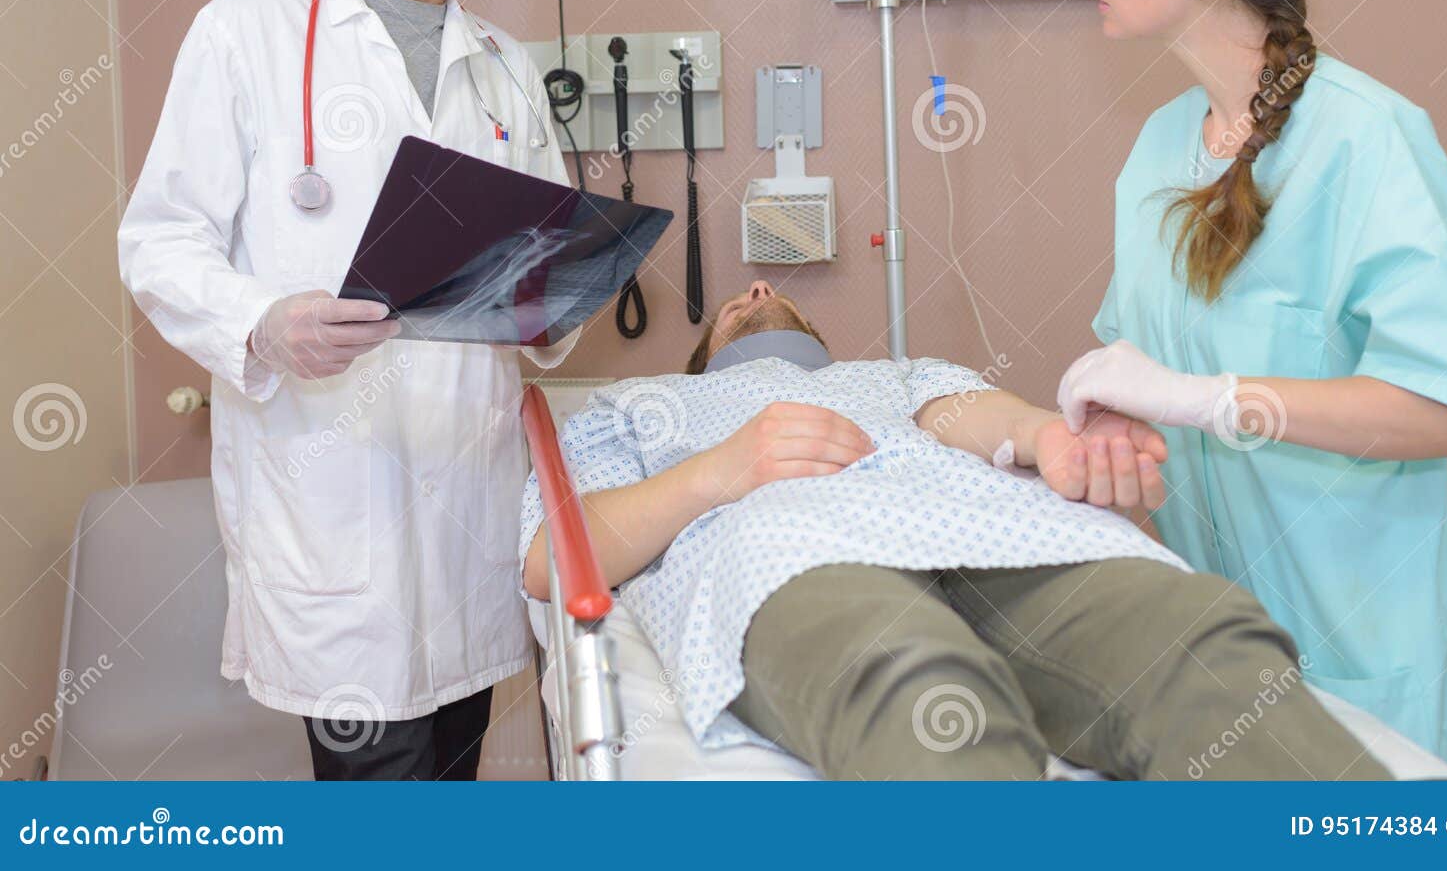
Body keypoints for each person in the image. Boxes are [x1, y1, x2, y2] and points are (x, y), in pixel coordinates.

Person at [1060, 0, 1447, 779]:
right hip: (1228, 637)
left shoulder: (1366, 139)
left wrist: (1219, 400)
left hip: (1374, 644)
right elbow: (1151, 367)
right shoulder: (1158, 149)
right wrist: (1120, 416)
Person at [118, 0, 573, 780]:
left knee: (451, 772)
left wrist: (555, 303)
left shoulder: (504, 65)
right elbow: (158, 241)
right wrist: (263, 319)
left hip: (465, 493)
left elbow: (545, 275)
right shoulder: (248, 32)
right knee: (373, 796)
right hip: (330, 498)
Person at [520, 281, 1393, 780]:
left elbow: (995, 423)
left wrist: (1059, 444)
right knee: (928, 694)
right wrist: (721, 471)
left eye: (774, 292)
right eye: (741, 303)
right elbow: (549, 557)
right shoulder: (642, 407)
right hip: (798, 554)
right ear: (704, 353)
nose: (757, 289)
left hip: (1007, 531)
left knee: (1212, 648)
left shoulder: (898, 376)